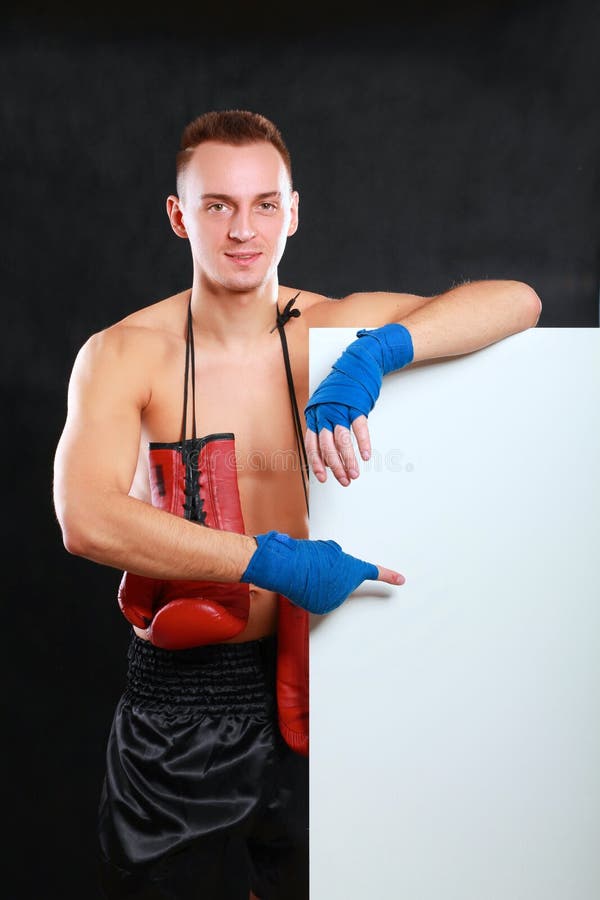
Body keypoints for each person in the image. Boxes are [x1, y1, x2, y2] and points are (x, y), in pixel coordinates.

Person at [52, 109, 542, 900]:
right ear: (180, 217)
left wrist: (380, 352)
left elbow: (518, 302)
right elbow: (86, 518)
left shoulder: (337, 324)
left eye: (265, 204)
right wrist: (272, 561)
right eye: (218, 205)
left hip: (332, 678)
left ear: (294, 212)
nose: (244, 230)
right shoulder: (124, 353)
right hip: (183, 703)